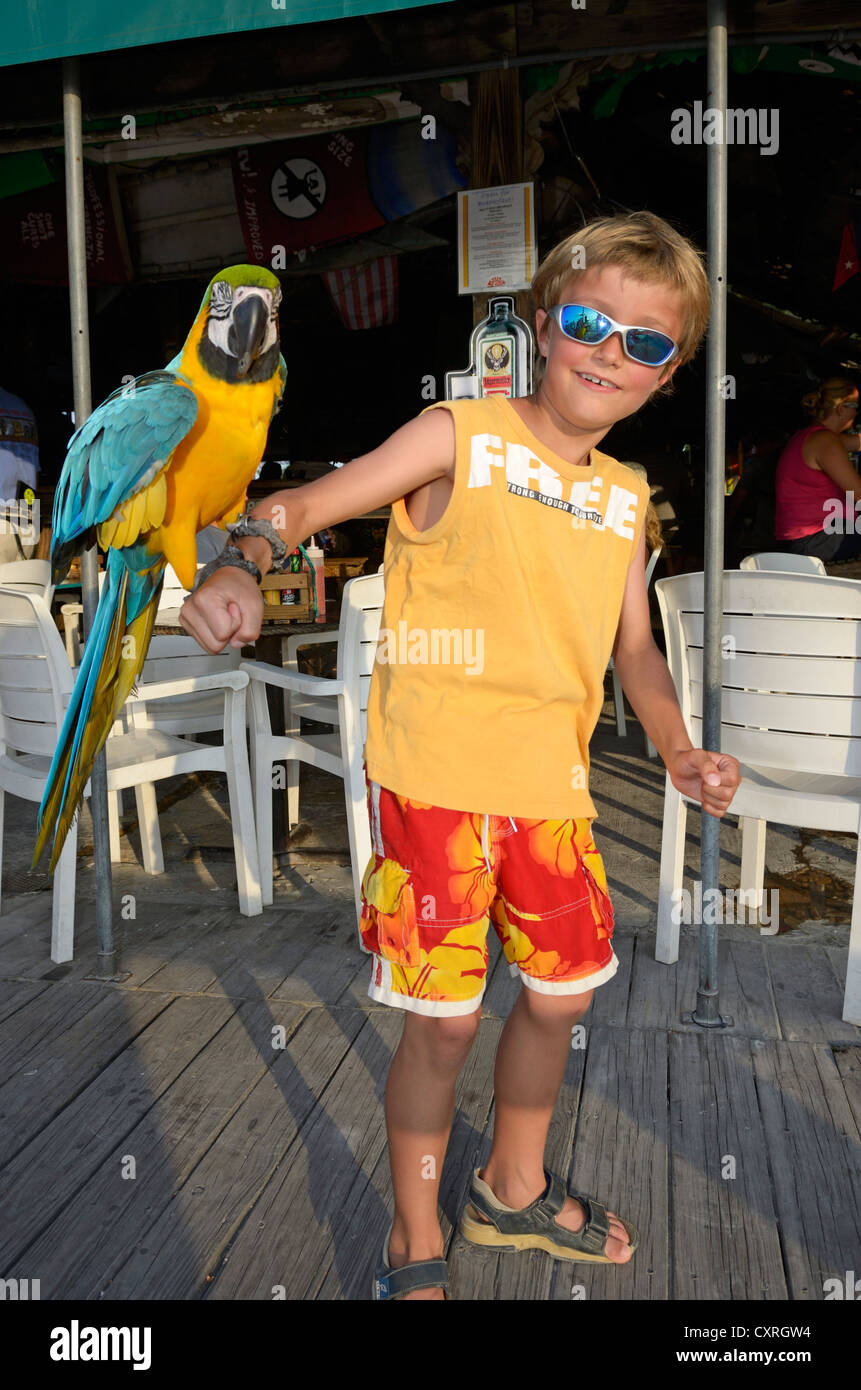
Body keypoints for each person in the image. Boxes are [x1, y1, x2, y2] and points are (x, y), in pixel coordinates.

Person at [179, 210, 741, 1301]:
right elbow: (301, 505)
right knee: (442, 1024)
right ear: (542, 324)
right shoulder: (460, 433)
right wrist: (243, 558)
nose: (609, 352)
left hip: (552, 795)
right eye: (588, 321)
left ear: (670, 375)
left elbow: (636, 648)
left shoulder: (626, 500)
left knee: (562, 998)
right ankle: (412, 1228)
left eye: (648, 342)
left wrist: (677, 744)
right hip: (436, 785)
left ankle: (513, 1184)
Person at [774, 377, 861, 560]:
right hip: (815, 540)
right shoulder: (825, 441)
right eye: (856, 406)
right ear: (841, 409)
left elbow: (857, 443)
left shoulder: (810, 436)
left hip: (802, 539)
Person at [0, 386, 40, 563]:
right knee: (20, 587)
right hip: (28, 519)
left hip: (1, 517)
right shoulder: (22, 408)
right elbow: (35, 467)